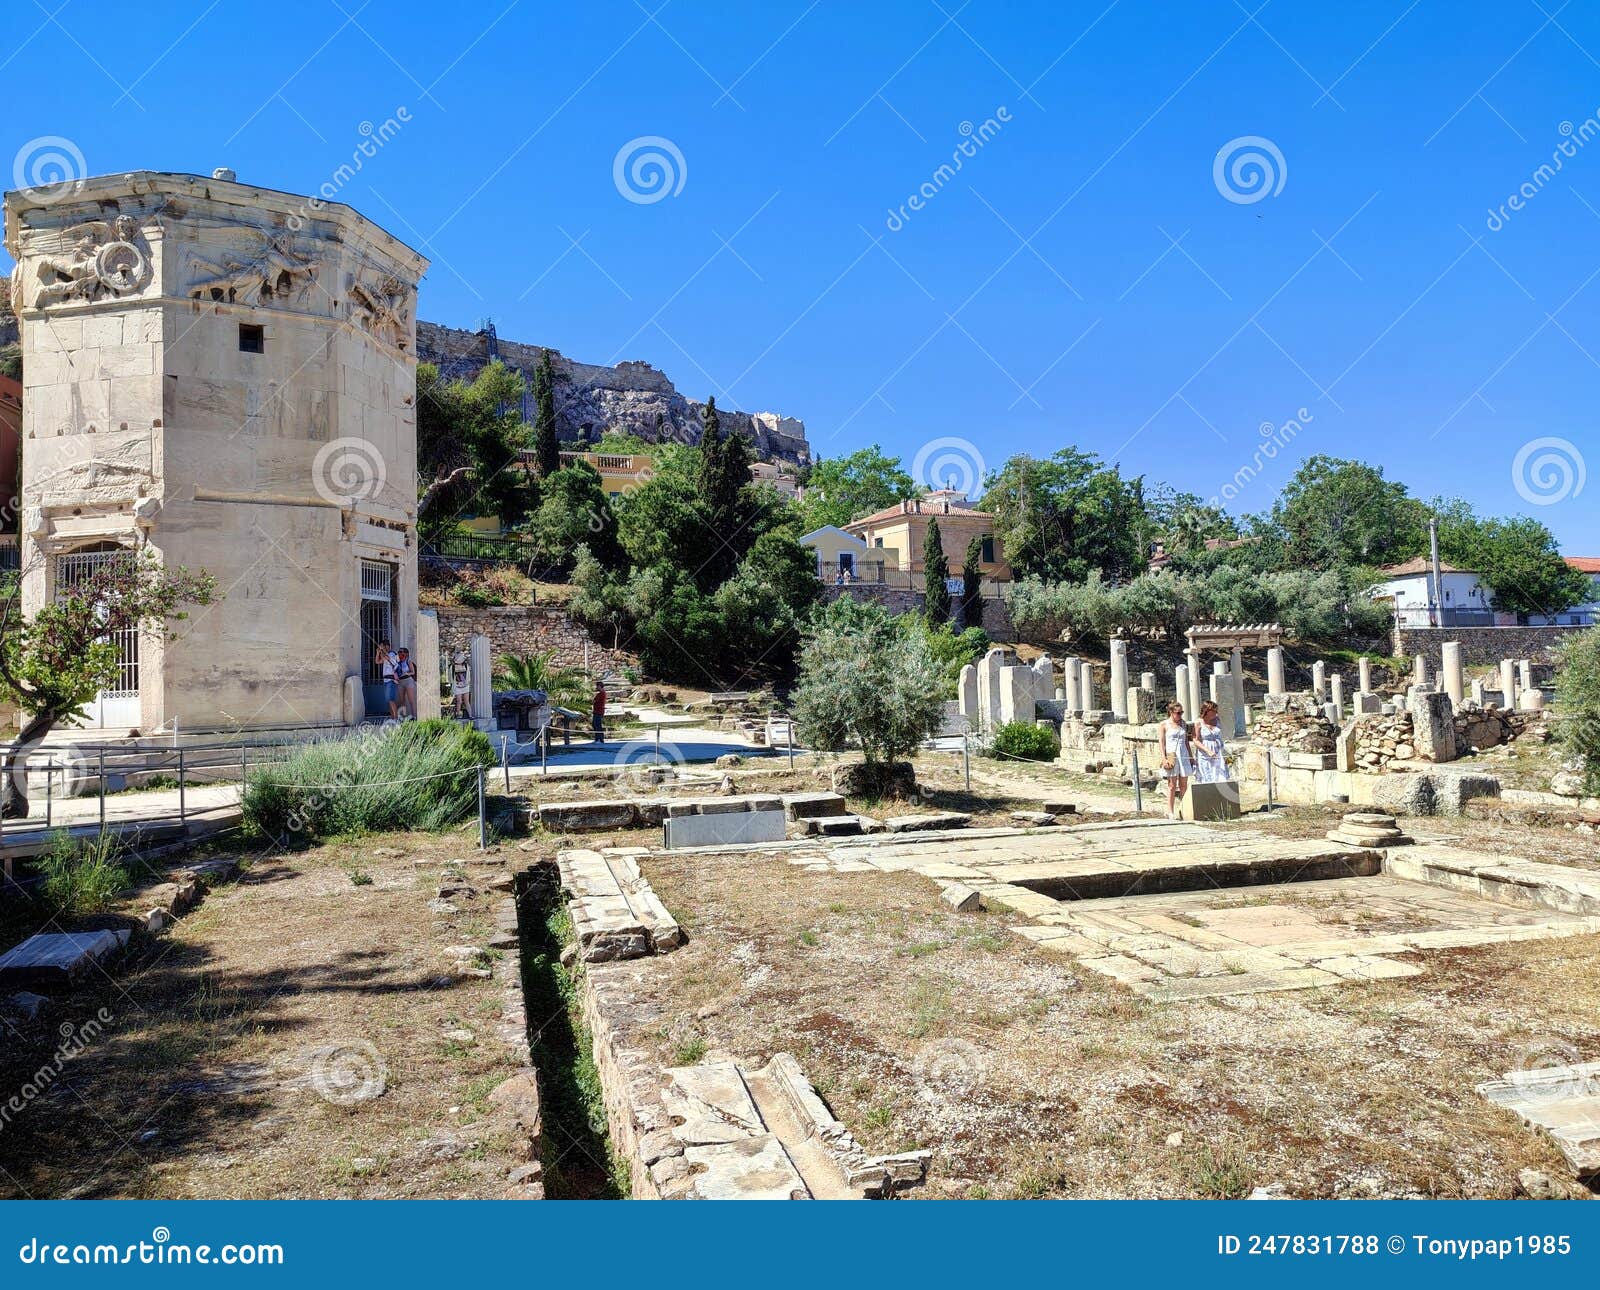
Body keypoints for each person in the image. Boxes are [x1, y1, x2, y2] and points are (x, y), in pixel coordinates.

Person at [1159, 700, 1194, 819]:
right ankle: (1170, 811)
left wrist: (1191, 757)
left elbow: (1186, 742)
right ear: (1171, 712)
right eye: (1178, 713)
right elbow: (1161, 743)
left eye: (1181, 712)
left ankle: (1184, 809)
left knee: (1184, 784)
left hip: (1183, 754)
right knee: (1172, 785)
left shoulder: (1183, 724)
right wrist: (1164, 759)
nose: (1180, 715)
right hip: (1171, 755)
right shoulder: (1164, 725)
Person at [1193, 700, 1230, 784]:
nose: (1215, 713)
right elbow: (1195, 739)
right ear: (1207, 711)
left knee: (1221, 777)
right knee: (1207, 777)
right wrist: (1208, 751)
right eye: (1213, 711)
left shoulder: (1217, 720)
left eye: (1216, 711)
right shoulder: (1199, 722)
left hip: (1218, 751)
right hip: (1205, 753)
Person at [374, 639, 398, 719]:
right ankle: (392, 717)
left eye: (383, 646)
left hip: (391, 680)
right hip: (386, 680)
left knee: (391, 699)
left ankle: (396, 719)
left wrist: (382, 651)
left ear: (387, 646)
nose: (382, 648)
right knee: (388, 700)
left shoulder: (392, 654)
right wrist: (378, 653)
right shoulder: (385, 654)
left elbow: (387, 658)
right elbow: (377, 662)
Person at [394, 647, 418, 721]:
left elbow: (413, 672)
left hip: (408, 681)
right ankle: (404, 717)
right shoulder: (398, 663)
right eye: (399, 652)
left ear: (406, 654)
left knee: (411, 700)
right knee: (402, 701)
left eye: (401, 652)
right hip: (400, 682)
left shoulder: (408, 661)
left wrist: (406, 673)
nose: (400, 653)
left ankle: (414, 717)